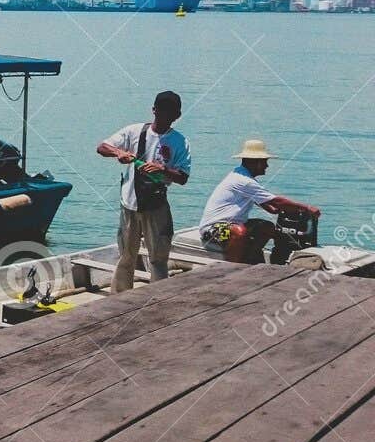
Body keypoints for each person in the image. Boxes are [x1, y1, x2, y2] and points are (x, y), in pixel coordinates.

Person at [96, 90, 191, 292]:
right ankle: (121, 297)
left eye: (170, 113)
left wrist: (163, 169)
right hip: (129, 205)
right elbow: (102, 147)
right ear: (153, 110)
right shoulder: (134, 131)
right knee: (126, 256)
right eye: (161, 112)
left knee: (158, 259)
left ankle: (157, 296)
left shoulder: (179, 142)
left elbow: (183, 177)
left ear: (177, 116)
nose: (164, 117)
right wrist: (119, 152)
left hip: (157, 206)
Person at [199, 139, 320, 263]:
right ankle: (232, 266)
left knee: (267, 227)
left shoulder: (246, 179)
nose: (267, 166)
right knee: (239, 232)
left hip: (232, 224)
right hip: (212, 229)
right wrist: (307, 208)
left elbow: (271, 208)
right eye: (264, 162)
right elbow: (277, 201)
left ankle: (251, 259)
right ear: (254, 162)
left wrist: (286, 209)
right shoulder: (243, 180)